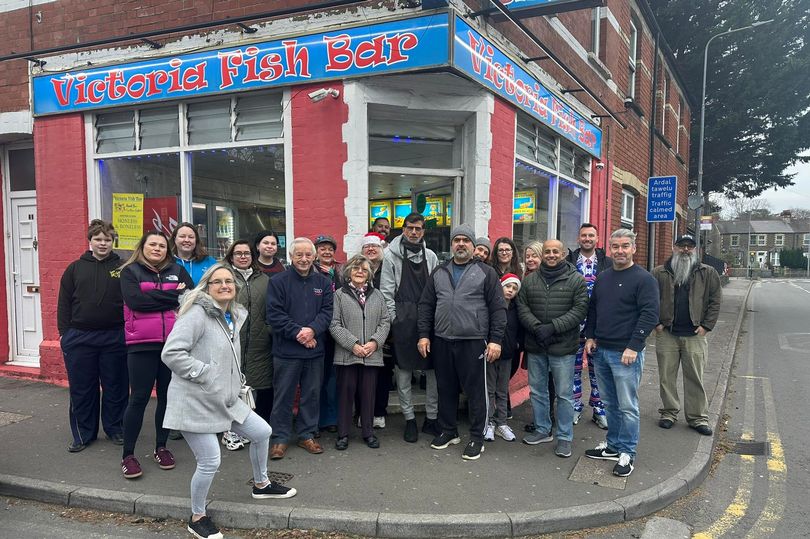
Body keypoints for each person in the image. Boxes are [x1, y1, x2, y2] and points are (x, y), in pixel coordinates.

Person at [162, 264, 296, 539]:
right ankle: (197, 516)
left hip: (225, 398)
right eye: (217, 282)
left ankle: (261, 484)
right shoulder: (197, 313)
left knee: (263, 432)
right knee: (210, 460)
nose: (225, 285)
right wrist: (206, 373)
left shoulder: (231, 314)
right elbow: (172, 353)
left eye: (229, 282)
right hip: (194, 400)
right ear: (207, 287)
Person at [418, 224, 507, 461]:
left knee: (476, 392)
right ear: (452, 245)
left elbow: (498, 309)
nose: (460, 244)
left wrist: (495, 340)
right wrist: (424, 335)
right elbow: (426, 305)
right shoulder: (439, 272)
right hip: (442, 340)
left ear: (472, 245)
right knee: (445, 388)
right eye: (456, 240)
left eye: (465, 240)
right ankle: (449, 431)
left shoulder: (486, 273)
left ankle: (477, 437)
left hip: (474, 341)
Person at [583, 229, 659, 477]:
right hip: (602, 350)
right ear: (610, 248)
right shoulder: (603, 277)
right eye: (615, 246)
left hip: (625, 354)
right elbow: (593, 309)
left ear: (634, 249)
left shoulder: (644, 279)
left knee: (627, 405)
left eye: (625, 246)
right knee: (609, 403)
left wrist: (634, 346)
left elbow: (650, 314)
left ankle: (627, 452)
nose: (620, 251)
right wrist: (590, 336)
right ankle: (613, 445)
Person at [119, 231, 194, 479]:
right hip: (141, 344)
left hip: (172, 345)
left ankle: (161, 447)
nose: (157, 248)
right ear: (143, 246)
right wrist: (172, 296)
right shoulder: (130, 272)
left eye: (162, 245)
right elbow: (135, 301)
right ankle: (128, 454)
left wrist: (155, 296)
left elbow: (189, 299)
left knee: (167, 397)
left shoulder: (177, 270)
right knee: (138, 398)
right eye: (153, 244)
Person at [58, 219, 128, 453]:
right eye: (98, 239)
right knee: (82, 388)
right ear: (90, 241)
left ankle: (115, 428)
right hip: (79, 338)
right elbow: (64, 304)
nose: (103, 243)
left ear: (112, 242)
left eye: (107, 240)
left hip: (115, 337)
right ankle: (83, 434)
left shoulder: (123, 267)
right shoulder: (75, 268)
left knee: (116, 386)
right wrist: (64, 334)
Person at [517, 239, 588, 458]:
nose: (550, 255)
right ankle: (542, 429)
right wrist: (538, 328)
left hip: (563, 347)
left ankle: (565, 437)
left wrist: (553, 328)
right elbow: (522, 306)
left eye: (555, 251)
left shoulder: (576, 280)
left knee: (564, 394)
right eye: (547, 251)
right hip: (536, 344)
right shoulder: (530, 281)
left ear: (563, 253)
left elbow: (580, 310)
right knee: (537, 391)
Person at [266, 238, 334, 459]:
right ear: (291, 257)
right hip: (286, 351)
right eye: (299, 255)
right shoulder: (278, 281)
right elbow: (274, 315)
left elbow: (327, 312)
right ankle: (280, 438)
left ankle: (307, 434)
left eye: (308, 255)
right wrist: (300, 334)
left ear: (314, 257)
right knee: (283, 396)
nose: (304, 259)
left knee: (311, 395)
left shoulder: (323, 282)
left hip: (314, 350)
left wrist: (312, 331)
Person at [652, 234, 722, 436]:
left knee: (695, 377)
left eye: (689, 246)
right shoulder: (659, 272)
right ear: (674, 248)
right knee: (666, 377)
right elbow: (649, 299)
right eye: (681, 246)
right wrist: (657, 323)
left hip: (695, 334)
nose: (685, 250)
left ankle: (697, 417)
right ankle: (669, 413)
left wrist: (706, 327)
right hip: (667, 333)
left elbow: (715, 301)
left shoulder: (707, 272)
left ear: (695, 249)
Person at [380, 212, 440, 443]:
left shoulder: (432, 256)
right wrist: (395, 320)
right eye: (410, 228)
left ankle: (432, 417)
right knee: (403, 372)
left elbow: (436, 290)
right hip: (403, 321)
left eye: (418, 228)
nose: (414, 232)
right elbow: (386, 292)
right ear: (403, 229)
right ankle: (409, 419)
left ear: (423, 231)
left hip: (428, 319)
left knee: (432, 371)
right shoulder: (390, 256)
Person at [330, 255, 391, 450]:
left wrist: (374, 343)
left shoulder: (378, 295)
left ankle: (368, 432)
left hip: (371, 354)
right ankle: (343, 434)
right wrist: (353, 344)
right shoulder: (339, 295)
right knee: (346, 394)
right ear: (348, 271)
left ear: (369, 274)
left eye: (364, 270)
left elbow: (385, 321)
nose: (360, 272)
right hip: (348, 354)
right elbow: (334, 324)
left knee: (368, 394)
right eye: (356, 268)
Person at [220, 240, 273, 452]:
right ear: (231, 256)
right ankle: (229, 431)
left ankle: (251, 428)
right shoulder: (223, 277)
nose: (243, 257)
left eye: (246, 253)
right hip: (231, 340)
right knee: (230, 387)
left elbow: (272, 308)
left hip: (260, 342)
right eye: (238, 253)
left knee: (255, 386)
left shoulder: (264, 280)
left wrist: (269, 330)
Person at [565, 223, 610, 430]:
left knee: (597, 369)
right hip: (573, 325)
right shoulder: (568, 262)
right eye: (583, 235)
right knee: (573, 369)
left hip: (598, 324)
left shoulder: (607, 263)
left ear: (597, 238)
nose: (587, 239)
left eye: (591, 235)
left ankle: (599, 410)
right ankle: (575, 406)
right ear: (578, 239)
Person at [484, 273, 523, 442]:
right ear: (501, 286)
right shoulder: (491, 305)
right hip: (491, 354)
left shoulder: (516, 309)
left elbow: (520, 329)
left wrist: (517, 345)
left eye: (514, 289)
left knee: (502, 390)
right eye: (508, 286)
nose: (510, 291)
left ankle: (501, 422)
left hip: (507, 355)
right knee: (489, 389)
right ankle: (489, 422)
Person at [360, 232, 390, 428]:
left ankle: (379, 411)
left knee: (384, 373)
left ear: (382, 249)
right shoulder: (356, 269)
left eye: (375, 246)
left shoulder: (389, 269)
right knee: (362, 375)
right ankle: (363, 412)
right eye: (367, 247)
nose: (371, 249)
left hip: (385, 330)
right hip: (361, 330)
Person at [314, 234, 342, 434]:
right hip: (315, 329)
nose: (326, 252)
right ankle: (312, 420)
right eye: (322, 248)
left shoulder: (340, 269)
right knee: (314, 377)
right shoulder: (309, 269)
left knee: (332, 377)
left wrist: (333, 275)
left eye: (330, 249)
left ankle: (330, 418)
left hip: (336, 330)